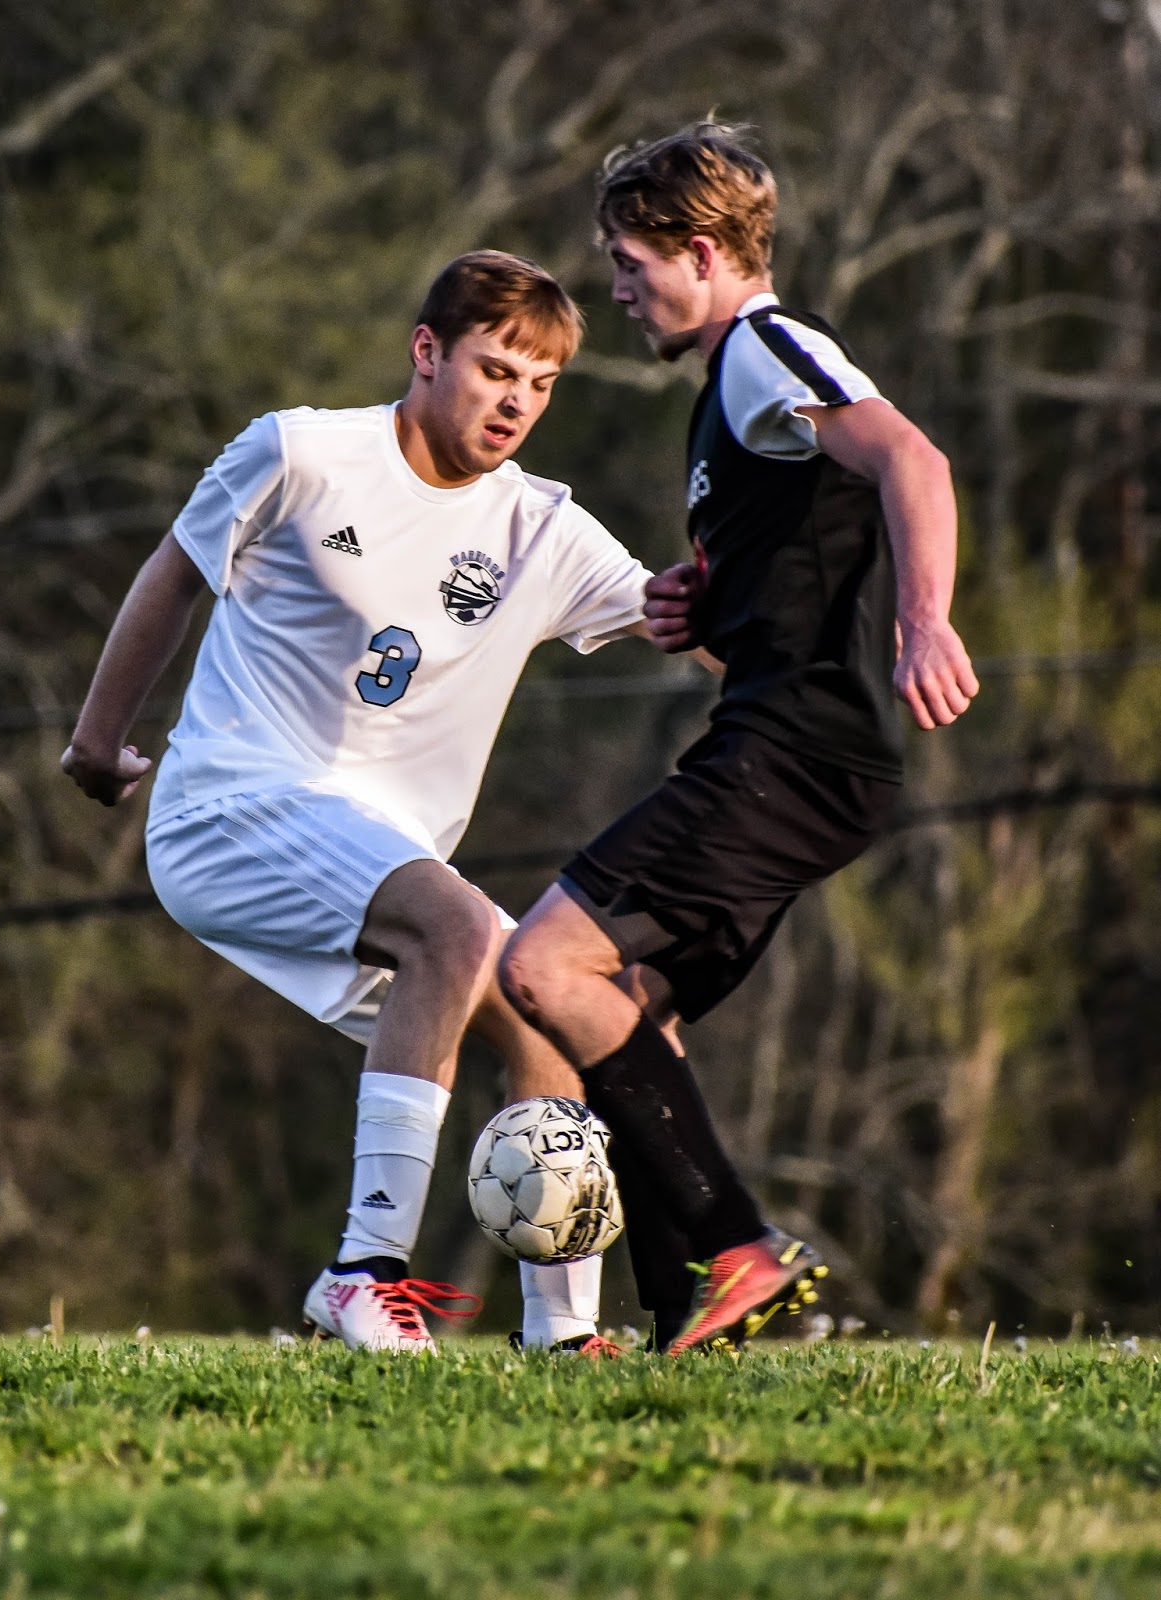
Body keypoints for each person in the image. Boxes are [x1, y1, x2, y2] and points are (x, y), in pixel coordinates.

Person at [61, 250, 685, 1356]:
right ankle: (361, 1273)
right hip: (224, 809)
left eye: (540, 385)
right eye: (496, 369)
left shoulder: (542, 530)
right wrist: (97, 740)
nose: (515, 402)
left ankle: (564, 1331)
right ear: (426, 351)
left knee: (548, 997)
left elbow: (696, 627)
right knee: (450, 923)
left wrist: (831, 618)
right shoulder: (300, 452)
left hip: (378, 853)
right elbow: (171, 573)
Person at [499, 122, 980, 1355]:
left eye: (628, 260)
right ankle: (691, 1312)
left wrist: (928, 621)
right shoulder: (738, 390)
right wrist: (699, 603)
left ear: (702, 252)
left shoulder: (765, 349)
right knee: (630, 1009)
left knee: (544, 967)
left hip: (794, 751)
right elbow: (804, 557)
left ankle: (735, 1242)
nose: (615, 288)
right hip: (803, 752)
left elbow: (912, 462)